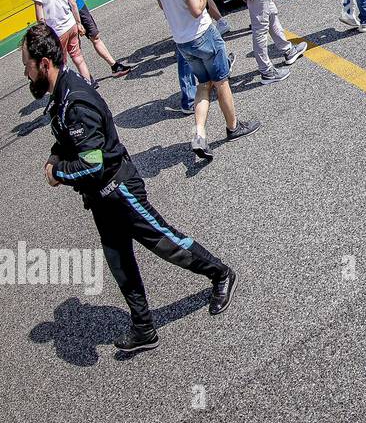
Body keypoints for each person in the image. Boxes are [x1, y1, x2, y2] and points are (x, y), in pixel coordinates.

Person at [22, 22, 237, 353]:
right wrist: (55, 158)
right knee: (119, 261)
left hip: (118, 190)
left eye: (27, 66)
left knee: (166, 242)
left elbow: (92, 164)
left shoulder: (76, 100)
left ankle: (221, 273)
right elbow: (65, 140)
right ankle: (144, 327)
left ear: (44, 65)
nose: (26, 73)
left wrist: (58, 173)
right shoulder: (60, 96)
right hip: (100, 198)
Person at [153, 0, 260, 160]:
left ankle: (200, 133)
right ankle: (233, 126)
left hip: (182, 40)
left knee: (203, 85)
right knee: (221, 81)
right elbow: (197, 8)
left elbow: (162, 3)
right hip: (202, 34)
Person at [30, 0, 94, 83]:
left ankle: (66, 90)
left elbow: (40, 18)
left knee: (60, 64)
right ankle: (89, 84)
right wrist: (79, 23)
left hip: (57, 32)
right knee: (78, 57)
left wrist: (43, 35)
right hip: (71, 25)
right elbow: (73, 3)